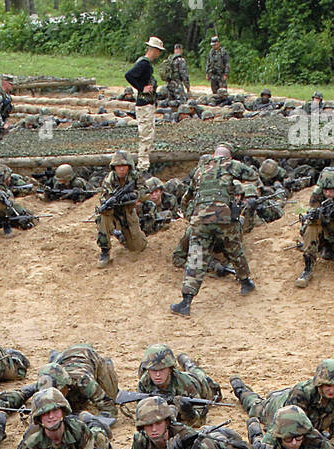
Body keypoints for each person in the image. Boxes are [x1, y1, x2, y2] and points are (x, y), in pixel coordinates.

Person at [171, 146, 255, 314]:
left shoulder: (199, 170)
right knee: (235, 250)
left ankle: (186, 303)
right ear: (228, 156)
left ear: (212, 155)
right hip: (223, 217)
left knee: (196, 258)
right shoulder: (229, 165)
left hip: (200, 220)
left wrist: (190, 216)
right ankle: (246, 283)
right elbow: (252, 175)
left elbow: (187, 197)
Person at [231, 359, 334, 439]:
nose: (332, 390)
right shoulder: (302, 393)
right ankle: (240, 388)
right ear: (319, 384)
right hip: (277, 408)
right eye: (328, 385)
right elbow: (288, 428)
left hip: (304, 411)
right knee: (254, 405)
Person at [130, 396, 237, 449]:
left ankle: (218, 432)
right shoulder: (140, 441)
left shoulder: (185, 436)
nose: (154, 429)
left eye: (158, 423)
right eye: (148, 425)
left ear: (167, 422)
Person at [18, 388, 110, 449]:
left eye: (55, 411)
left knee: (100, 438)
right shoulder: (31, 439)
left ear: (63, 412)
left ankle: (90, 420)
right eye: (45, 413)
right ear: (39, 418)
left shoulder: (78, 429)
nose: (51, 416)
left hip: (86, 440)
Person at [136, 343, 220, 425]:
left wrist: (189, 412)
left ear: (170, 369)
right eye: (153, 370)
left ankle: (187, 362)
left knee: (198, 373)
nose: (157, 374)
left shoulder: (186, 384)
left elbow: (200, 421)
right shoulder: (144, 382)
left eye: (162, 370)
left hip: (200, 384)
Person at [95, 150, 150, 268]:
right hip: (113, 213)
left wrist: (133, 195)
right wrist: (110, 203)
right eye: (118, 166)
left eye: (124, 166)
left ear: (129, 166)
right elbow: (105, 197)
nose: (121, 169)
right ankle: (105, 251)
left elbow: (145, 192)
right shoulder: (109, 180)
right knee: (103, 216)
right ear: (113, 167)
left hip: (128, 211)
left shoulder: (135, 176)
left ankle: (121, 235)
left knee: (139, 247)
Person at [125, 36, 165, 172]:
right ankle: (143, 165)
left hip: (147, 103)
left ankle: (145, 161)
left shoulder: (145, 63)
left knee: (149, 133)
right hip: (144, 104)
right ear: (153, 50)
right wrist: (141, 88)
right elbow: (129, 75)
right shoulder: (144, 64)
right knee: (146, 135)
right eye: (158, 51)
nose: (159, 54)